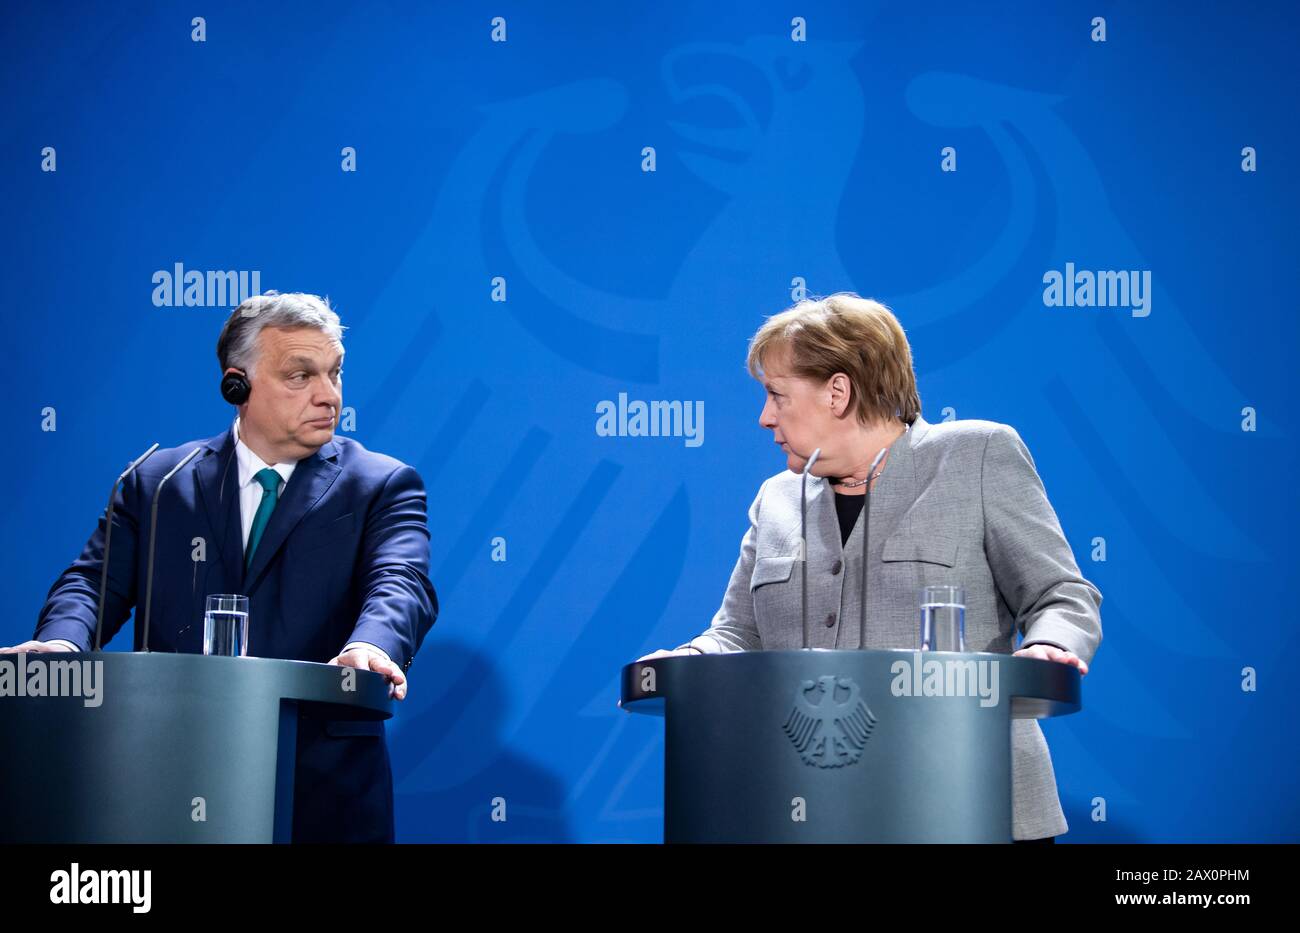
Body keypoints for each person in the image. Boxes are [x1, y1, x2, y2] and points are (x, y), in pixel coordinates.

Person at [640, 292, 1102, 843]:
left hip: (973, 804)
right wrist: (688, 659)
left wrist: (1047, 645)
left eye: (776, 395)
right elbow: (739, 632)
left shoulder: (977, 454)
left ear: (838, 391)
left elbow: (1060, 595)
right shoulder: (776, 499)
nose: (765, 418)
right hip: (812, 811)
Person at [2, 291, 438, 843]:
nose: (329, 396)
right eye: (300, 376)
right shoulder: (160, 483)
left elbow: (401, 582)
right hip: (164, 777)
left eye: (335, 372)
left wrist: (373, 646)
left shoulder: (380, 484)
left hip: (319, 787)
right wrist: (61, 646)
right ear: (238, 385)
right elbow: (93, 581)